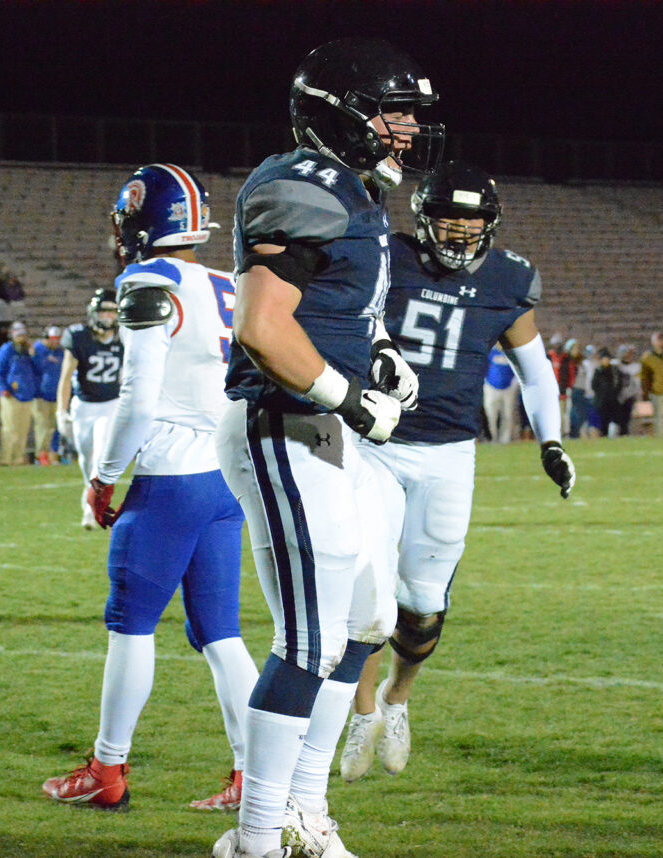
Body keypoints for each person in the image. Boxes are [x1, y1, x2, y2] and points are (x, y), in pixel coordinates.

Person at [211, 38, 445, 858]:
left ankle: (305, 812)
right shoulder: (298, 185)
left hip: (332, 429)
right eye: (393, 111)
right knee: (309, 640)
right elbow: (262, 327)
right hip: (285, 424)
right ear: (338, 111)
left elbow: (337, 312)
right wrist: (350, 393)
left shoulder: (354, 194)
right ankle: (257, 835)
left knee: (368, 619)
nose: (408, 128)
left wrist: (378, 356)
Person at [337, 162, 576, 789]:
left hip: (449, 452)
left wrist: (550, 440)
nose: (462, 233)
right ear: (422, 219)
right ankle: (361, 713)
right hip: (377, 443)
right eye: (450, 219)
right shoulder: (385, 256)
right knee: (370, 590)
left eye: (473, 222)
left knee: (424, 606)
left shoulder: (507, 278)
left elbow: (534, 368)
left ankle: (397, 697)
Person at [43, 164, 259, 813]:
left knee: (130, 624)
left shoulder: (147, 280)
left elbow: (136, 402)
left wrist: (103, 479)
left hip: (170, 478)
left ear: (141, 219)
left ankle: (107, 770)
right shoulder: (223, 281)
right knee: (220, 633)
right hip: (225, 476)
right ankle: (256, 777)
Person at [56, 290, 124, 527]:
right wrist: (61, 411)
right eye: (104, 311)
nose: (108, 316)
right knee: (86, 458)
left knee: (100, 453)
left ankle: (91, 507)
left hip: (111, 404)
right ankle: (90, 496)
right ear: (93, 313)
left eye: (112, 311)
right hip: (84, 406)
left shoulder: (125, 336)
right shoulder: (78, 336)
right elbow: (66, 377)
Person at [0, 321, 40, 466]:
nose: (21, 338)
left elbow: (38, 370)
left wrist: (34, 355)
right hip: (11, 395)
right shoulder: (6, 350)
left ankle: (18, 458)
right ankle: (6, 458)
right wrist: (3, 388)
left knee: (23, 430)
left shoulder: (28, 352)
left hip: (27, 395)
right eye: (18, 336)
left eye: (23, 335)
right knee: (10, 429)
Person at [32, 326, 64, 465]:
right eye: (52, 339)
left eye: (57, 339)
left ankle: (53, 454)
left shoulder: (60, 352)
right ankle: (41, 454)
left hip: (57, 395)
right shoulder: (38, 350)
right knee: (43, 427)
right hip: (42, 395)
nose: (55, 342)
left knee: (56, 427)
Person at [482, 345, 519, 442]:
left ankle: (505, 439)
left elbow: (517, 369)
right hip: (491, 387)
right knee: (490, 415)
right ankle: (492, 438)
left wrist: (514, 384)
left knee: (508, 415)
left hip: (508, 388)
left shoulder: (511, 353)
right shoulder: (490, 352)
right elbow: (483, 367)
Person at [591, 347, 624, 438]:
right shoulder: (598, 371)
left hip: (613, 400)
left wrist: (614, 393)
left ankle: (614, 436)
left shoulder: (614, 371)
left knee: (615, 420)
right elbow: (594, 385)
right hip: (602, 401)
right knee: (603, 420)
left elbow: (619, 384)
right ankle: (603, 435)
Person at [640, 330, 663, 437]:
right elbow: (644, 377)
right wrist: (645, 393)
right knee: (656, 416)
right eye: (659, 340)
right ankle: (658, 437)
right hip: (655, 391)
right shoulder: (647, 357)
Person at [615, 344, 642, 435]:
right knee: (616, 418)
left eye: (629, 353)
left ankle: (625, 433)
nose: (627, 356)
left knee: (627, 418)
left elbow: (637, 383)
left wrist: (637, 395)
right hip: (617, 395)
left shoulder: (636, 367)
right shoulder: (616, 365)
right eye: (625, 353)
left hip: (630, 395)